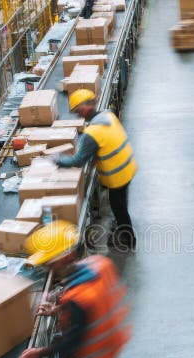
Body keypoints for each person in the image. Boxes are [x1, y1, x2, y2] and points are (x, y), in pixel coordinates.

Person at [19, 220, 131, 358]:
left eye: (49, 261)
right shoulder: (97, 264)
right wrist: (59, 308)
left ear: (63, 257)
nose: (47, 266)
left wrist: (39, 352)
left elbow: (71, 342)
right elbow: (91, 301)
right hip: (111, 345)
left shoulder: (79, 298)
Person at [56, 89, 138, 248]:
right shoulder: (108, 115)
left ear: (89, 105)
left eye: (78, 110)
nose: (79, 115)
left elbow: (78, 160)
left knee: (118, 208)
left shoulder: (91, 133)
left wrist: (57, 161)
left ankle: (128, 239)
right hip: (128, 167)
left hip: (117, 176)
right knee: (121, 203)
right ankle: (122, 229)